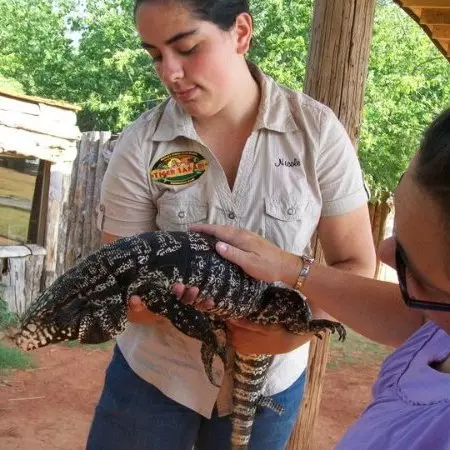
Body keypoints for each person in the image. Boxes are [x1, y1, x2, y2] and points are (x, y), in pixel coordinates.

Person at [87, 0, 376, 448]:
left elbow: (355, 262)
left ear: (241, 32)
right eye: (155, 55)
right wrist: (150, 302)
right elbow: (121, 277)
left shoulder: (317, 132)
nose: (170, 73)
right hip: (157, 379)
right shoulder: (142, 143)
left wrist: (289, 336)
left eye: (186, 47)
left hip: (272, 384)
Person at [176, 107, 450, 449]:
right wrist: (290, 267)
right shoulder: (438, 331)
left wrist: (292, 332)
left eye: (411, 265)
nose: (382, 252)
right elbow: (416, 316)